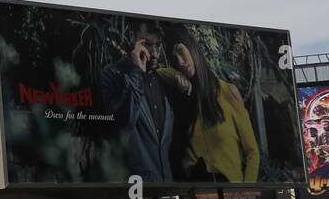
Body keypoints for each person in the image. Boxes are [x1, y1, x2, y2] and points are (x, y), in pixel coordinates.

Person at [158, 24, 260, 182]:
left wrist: (246, 189)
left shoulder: (228, 92)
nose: (180, 62)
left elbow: (252, 152)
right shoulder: (182, 97)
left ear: (192, 47)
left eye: (181, 51)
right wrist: (174, 75)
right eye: (174, 58)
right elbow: (154, 73)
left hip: (231, 193)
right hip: (196, 193)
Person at [99, 21, 176, 182]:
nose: (154, 53)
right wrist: (136, 73)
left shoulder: (163, 79)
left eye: (158, 45)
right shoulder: (111, 74)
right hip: (133, 188)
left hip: (167, 185)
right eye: (147, 44)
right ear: (132, 36)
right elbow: (124, 124)